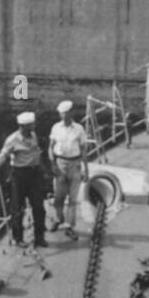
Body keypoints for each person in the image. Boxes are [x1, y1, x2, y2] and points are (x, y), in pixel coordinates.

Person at [0, 111, 47, 249]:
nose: (34, 126)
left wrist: (42, 169)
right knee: (17, 208)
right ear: (23, 126)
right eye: (31, 125)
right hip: (19, 175)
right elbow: (2, 156)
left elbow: (36, 152)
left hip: (34, 174)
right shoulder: (12, 139)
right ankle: (18, 238)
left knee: (38, 207)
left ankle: (39, 237)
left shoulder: (33, 135)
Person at [48, 100, 88, 239]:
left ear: (71, 113)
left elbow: (83, 150)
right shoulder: (55, 128)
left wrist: (85, 169)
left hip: (75, 164)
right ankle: (59, 219)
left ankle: (69, 226)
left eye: (66, 113)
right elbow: (50, 147)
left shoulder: (79, 129)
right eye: (61, 113)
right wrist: (53, 165)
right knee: (58, 198)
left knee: (73, 198)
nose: (63, 115)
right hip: (60, 164)